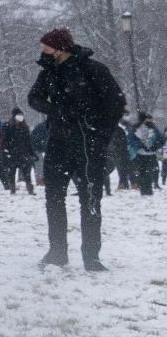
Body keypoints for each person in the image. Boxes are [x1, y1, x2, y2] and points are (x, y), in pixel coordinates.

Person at [26, 28, 127, 270]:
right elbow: (33, 98)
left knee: (91, 200)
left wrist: (101, 134)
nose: (43, 52)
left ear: (61, 49)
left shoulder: (94, 70)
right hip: (58, 143)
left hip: (88, 146)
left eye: (47, 48)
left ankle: (91, 256)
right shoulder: (48, 73)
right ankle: (57, 252)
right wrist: (55, 111)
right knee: (54, 199)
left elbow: (116, 103)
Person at [1, 109, 38, 194]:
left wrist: (32, 153)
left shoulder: (25, 127)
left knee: (27, 173)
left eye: (21, 115)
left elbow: (28, 142)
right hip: (12, 154)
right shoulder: (7, 126)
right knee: (11, 172)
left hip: (23, 153)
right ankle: (12, 189)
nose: (20, 117)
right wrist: (6, 152)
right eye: (18, 115)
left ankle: (30, 189)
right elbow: (4, 141)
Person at [129, 114, 160, 197]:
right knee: (143, 172)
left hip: (151, 154)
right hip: (140, 154)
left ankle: (148, 190)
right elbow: (132, 139)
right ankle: (144, 190)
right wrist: (141, 145)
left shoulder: (153, 127)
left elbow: (160, 138)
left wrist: (155, 146)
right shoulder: (135, 128)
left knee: (148, 172)